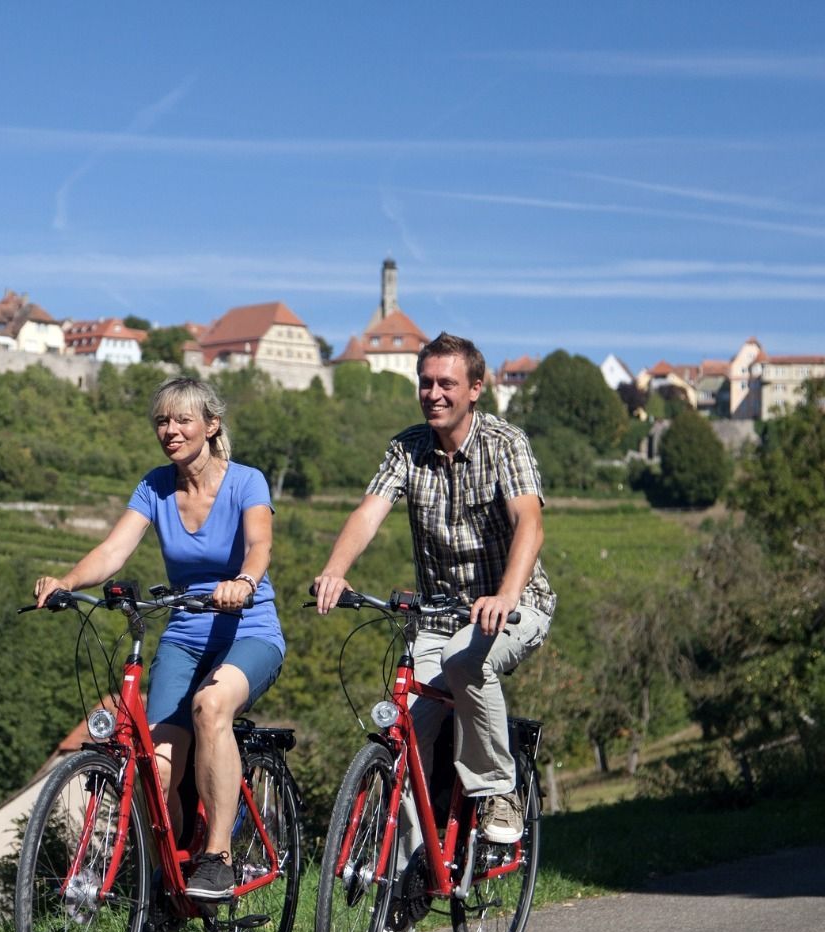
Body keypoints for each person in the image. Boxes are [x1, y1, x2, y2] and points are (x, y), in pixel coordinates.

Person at [34, 376, 284, 902]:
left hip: (248, 629)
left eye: (182, 420)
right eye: (162, 421)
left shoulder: (246, 482)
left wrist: (243, 582)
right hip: (185, 633)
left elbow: (259, 544)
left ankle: (217, 857)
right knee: (158, 768)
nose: (170, 430)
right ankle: (169, 882)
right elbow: (113, 550)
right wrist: (67, 582)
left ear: (211, 426)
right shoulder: (154, 487)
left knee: (211, 706)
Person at [312, 332, 554, 844]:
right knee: (405, 742)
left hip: (516, 606)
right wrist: (335, 569)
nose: (434, 394)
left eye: (447, 383)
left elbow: (529, 524)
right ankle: (406, 881)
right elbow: (368, 513)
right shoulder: (407, 447)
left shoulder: (504, 443)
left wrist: (506, 594)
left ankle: (498, 789)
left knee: (464, 661)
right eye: (426, 383)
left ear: (475, 389)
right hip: (438, 616)